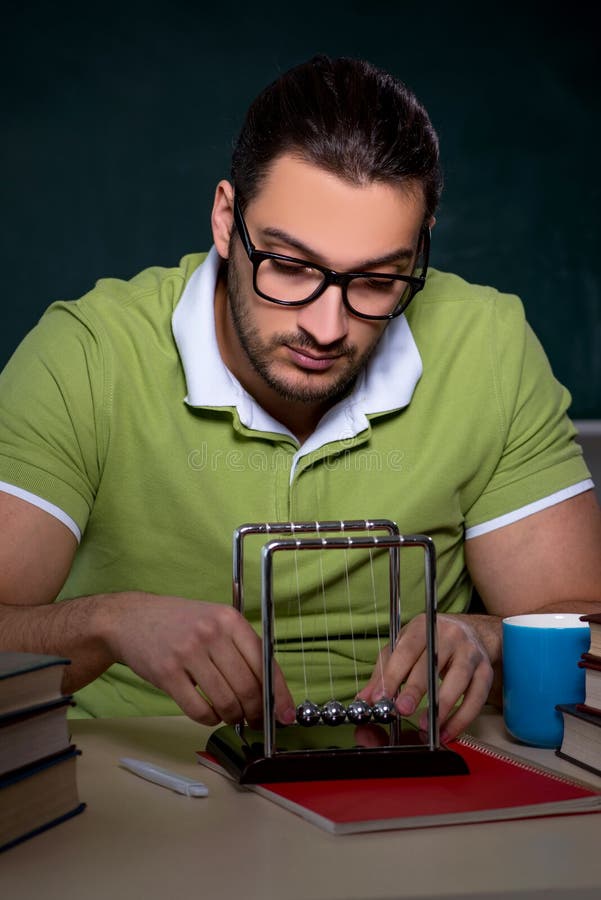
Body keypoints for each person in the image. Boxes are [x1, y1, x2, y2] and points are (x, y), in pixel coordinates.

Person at [0, 56, 599, 742]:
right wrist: (104, 622)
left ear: (419, 253)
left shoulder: (486, 345)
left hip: (410, 783)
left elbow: (579, 618)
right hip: (145, 775)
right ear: (226, 220)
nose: (326, 327)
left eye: (377, 280)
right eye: (288, 266)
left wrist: (488, 638)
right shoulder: (88, 353)